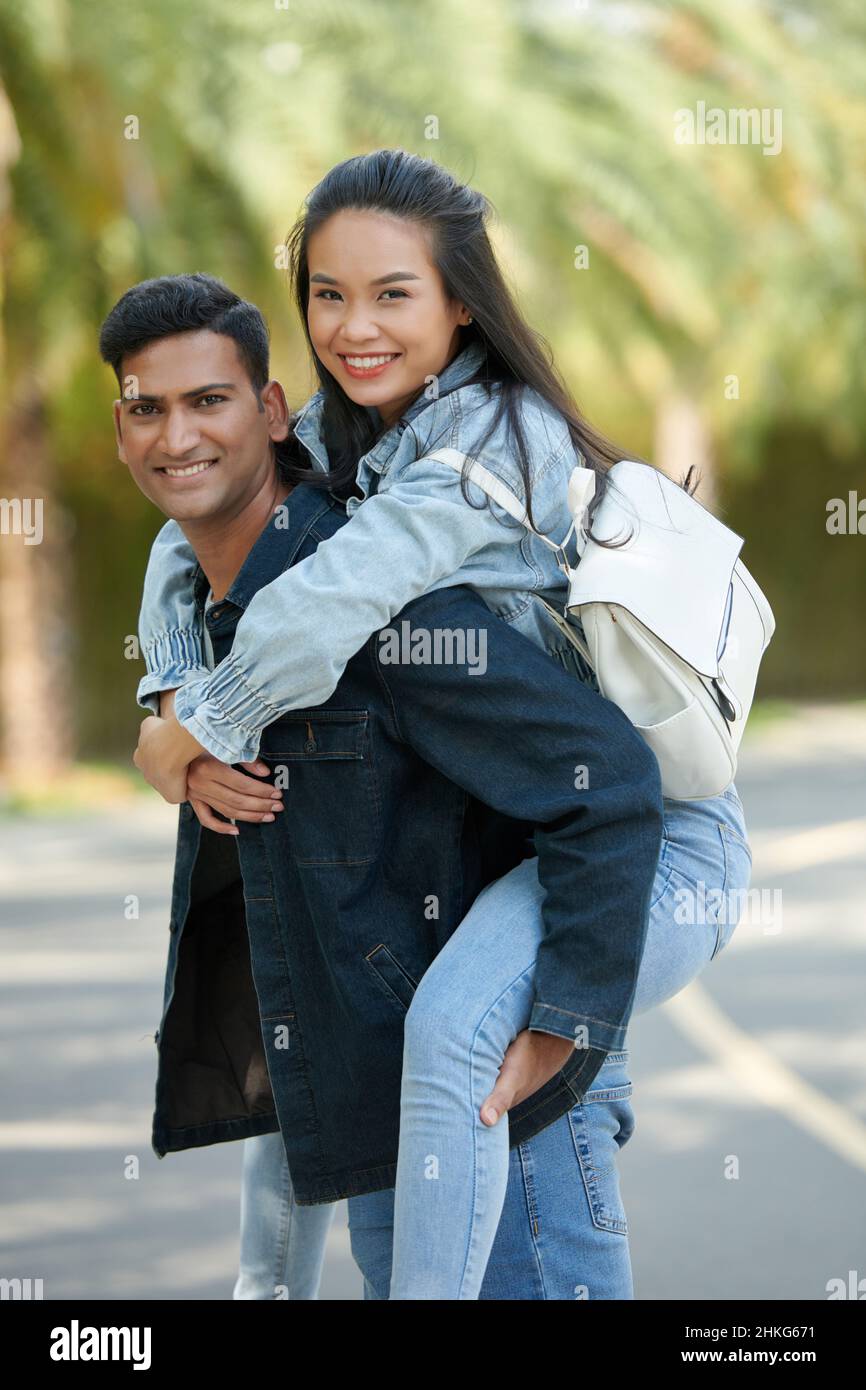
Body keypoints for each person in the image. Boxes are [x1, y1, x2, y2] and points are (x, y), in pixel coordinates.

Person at [125, 148, 752, 1299]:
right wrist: (167, 689)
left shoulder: (490, 444)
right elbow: (192, 520)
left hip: (640, 839)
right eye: (325, 293)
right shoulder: (347, 429)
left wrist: (193, 726)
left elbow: (333, 594)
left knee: (469, 1047)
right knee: (426, 1086)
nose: (351, 326)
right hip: (517, 859)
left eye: (390, 293)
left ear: (461, 299)